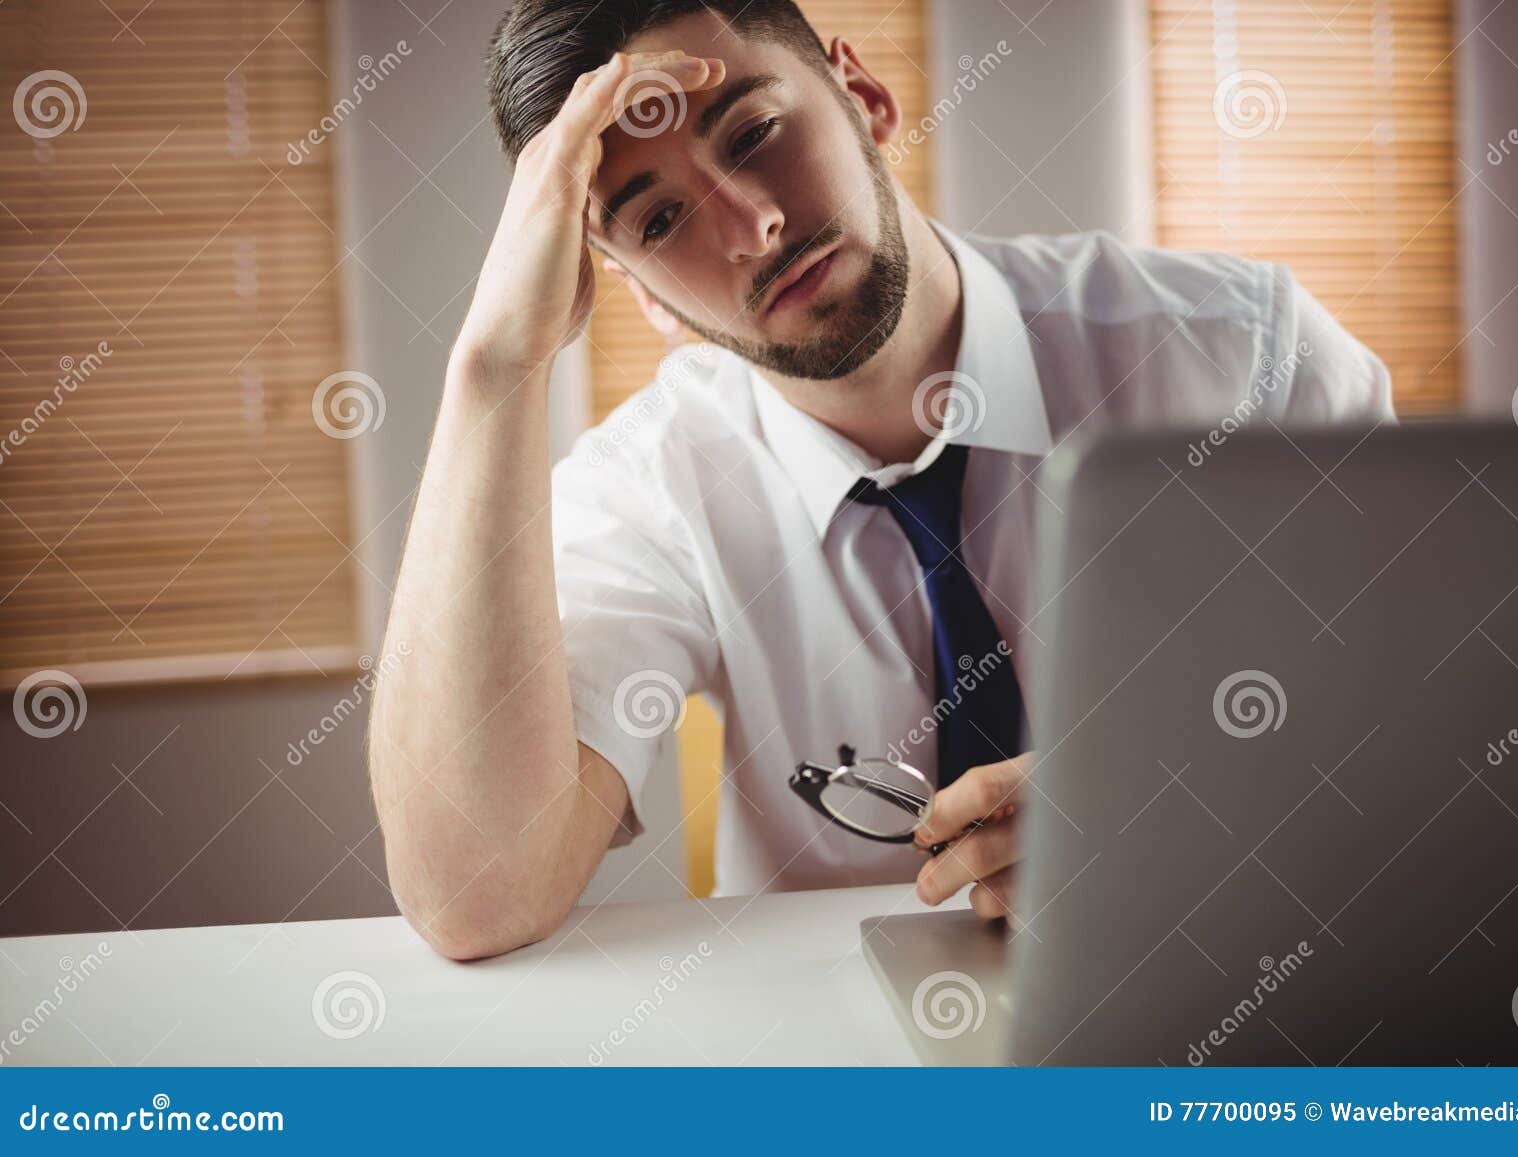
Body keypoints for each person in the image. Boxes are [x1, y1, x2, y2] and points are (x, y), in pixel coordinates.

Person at [368, 0, 1394, 960]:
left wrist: (1183, 812)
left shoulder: (1243, 358)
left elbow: (1456, 726)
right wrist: (495, 368)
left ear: (863, 97)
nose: (749, 225)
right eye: (658, 222)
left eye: (752, 134)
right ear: (642, 297)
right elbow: (475, 893)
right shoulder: (653, 487)